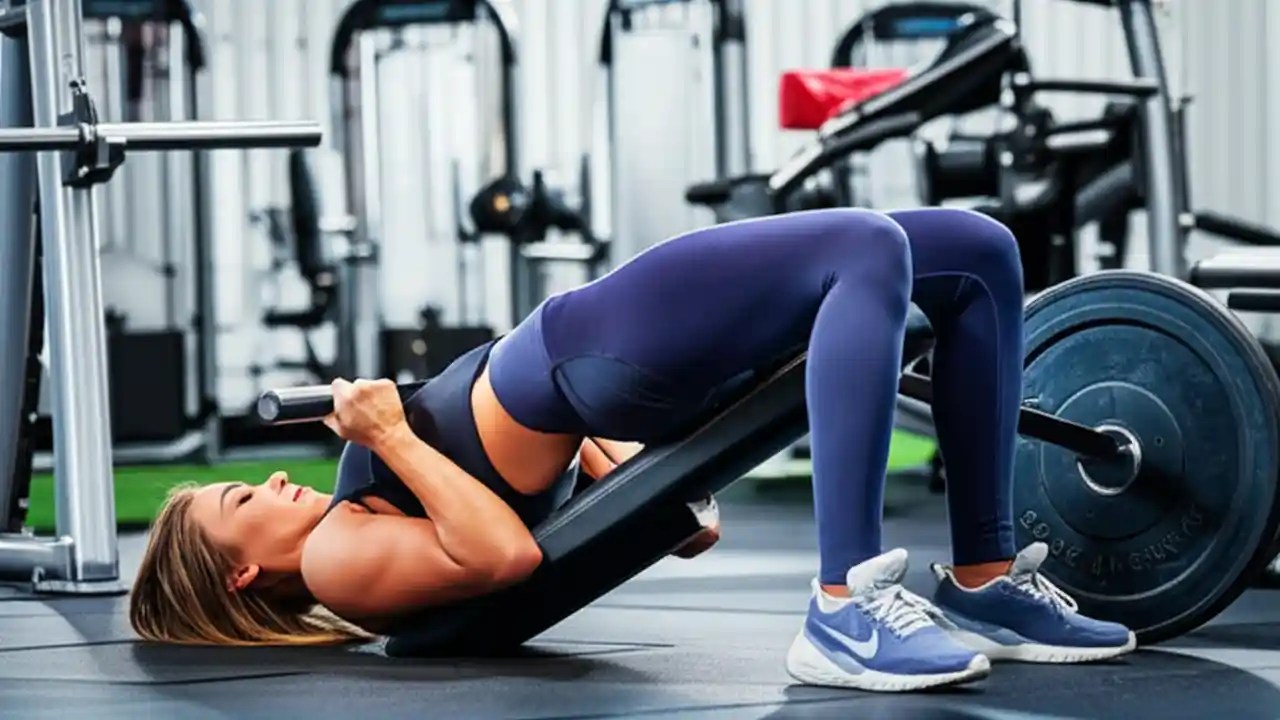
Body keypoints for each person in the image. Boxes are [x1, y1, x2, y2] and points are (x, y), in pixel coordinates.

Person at [130, 208, 1135, 692]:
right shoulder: (338, 560)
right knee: (867, 248)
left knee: (975, 253)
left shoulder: (359, 518)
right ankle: (841, 611)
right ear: (246, 571)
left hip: (591, 377)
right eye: (237, 499)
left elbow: (526, 494)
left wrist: (645, 491)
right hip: (580, 351)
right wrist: (388, 428)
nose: (266, 479)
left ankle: (982, 574)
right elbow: (498, 554)